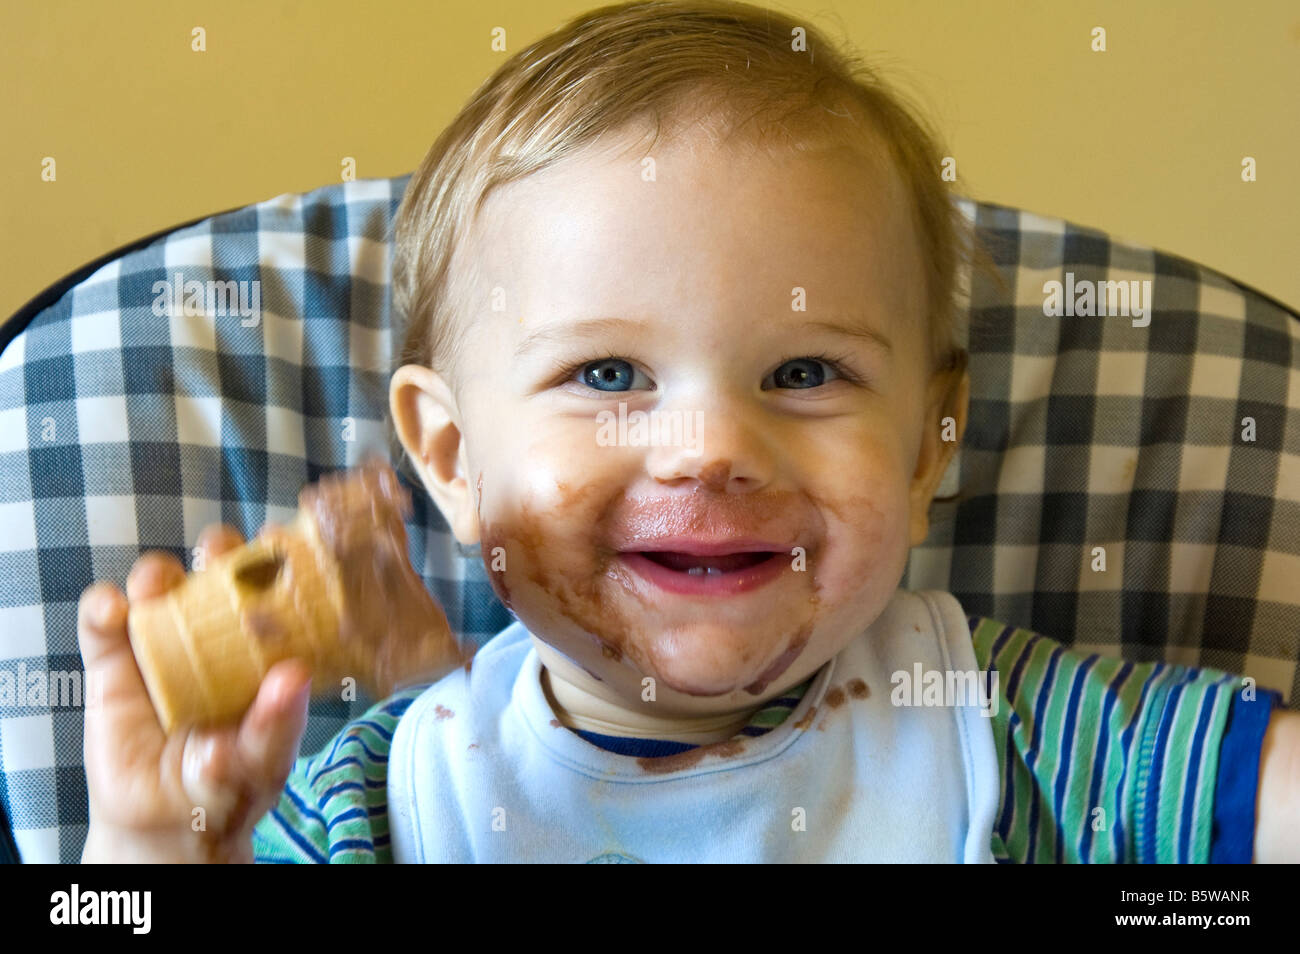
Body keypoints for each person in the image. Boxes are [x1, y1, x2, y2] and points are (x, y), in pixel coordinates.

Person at [76, 0, 1299, 863]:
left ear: (928, 446)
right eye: (607, 369)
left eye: (806, 370)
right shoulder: (377, 808)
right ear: (448, 458)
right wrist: (147, 847)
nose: (709, 445)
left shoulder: (1018, 734)